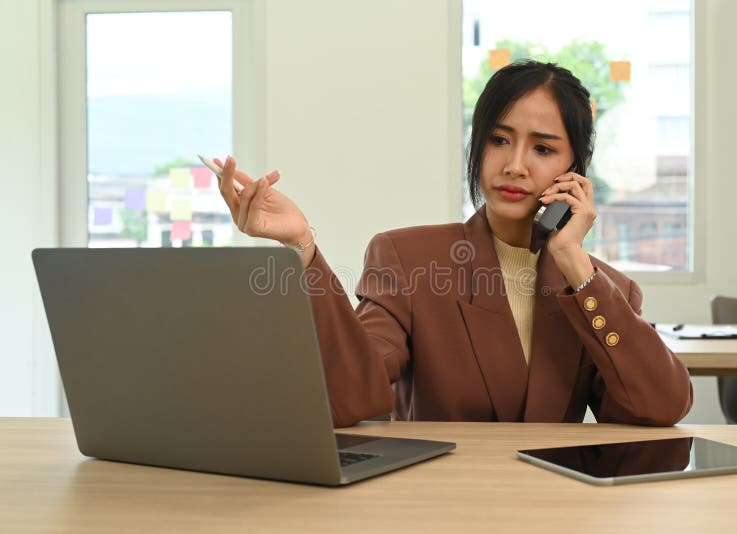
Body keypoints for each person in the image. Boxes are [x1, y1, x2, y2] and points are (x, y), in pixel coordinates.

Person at [216, 60, 693, 428]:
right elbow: (350, 394)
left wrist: (572, 261)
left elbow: (660, 408)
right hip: (437, 500)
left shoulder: (602, 290)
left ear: (574, 172)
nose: (515, 165)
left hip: (558, 503)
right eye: (499, 140)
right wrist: (302, 245)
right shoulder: (407, 259)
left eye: (543, 148)